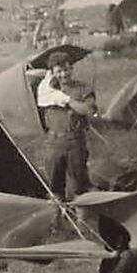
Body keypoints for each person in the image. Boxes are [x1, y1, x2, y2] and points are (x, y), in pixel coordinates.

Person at [35, 51, 95, 199]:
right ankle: (57, 218)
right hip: (54, 142)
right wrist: (53, 93)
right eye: (59, 71)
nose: (64, 74)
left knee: (79, 185)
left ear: (72, 68)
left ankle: (82, 218)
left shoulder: (83, 88)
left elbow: (87, 110)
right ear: (53, 73)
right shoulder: (46, 90)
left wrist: (67, 100)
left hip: (75, 140)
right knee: (54, 187)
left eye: (67, 69)